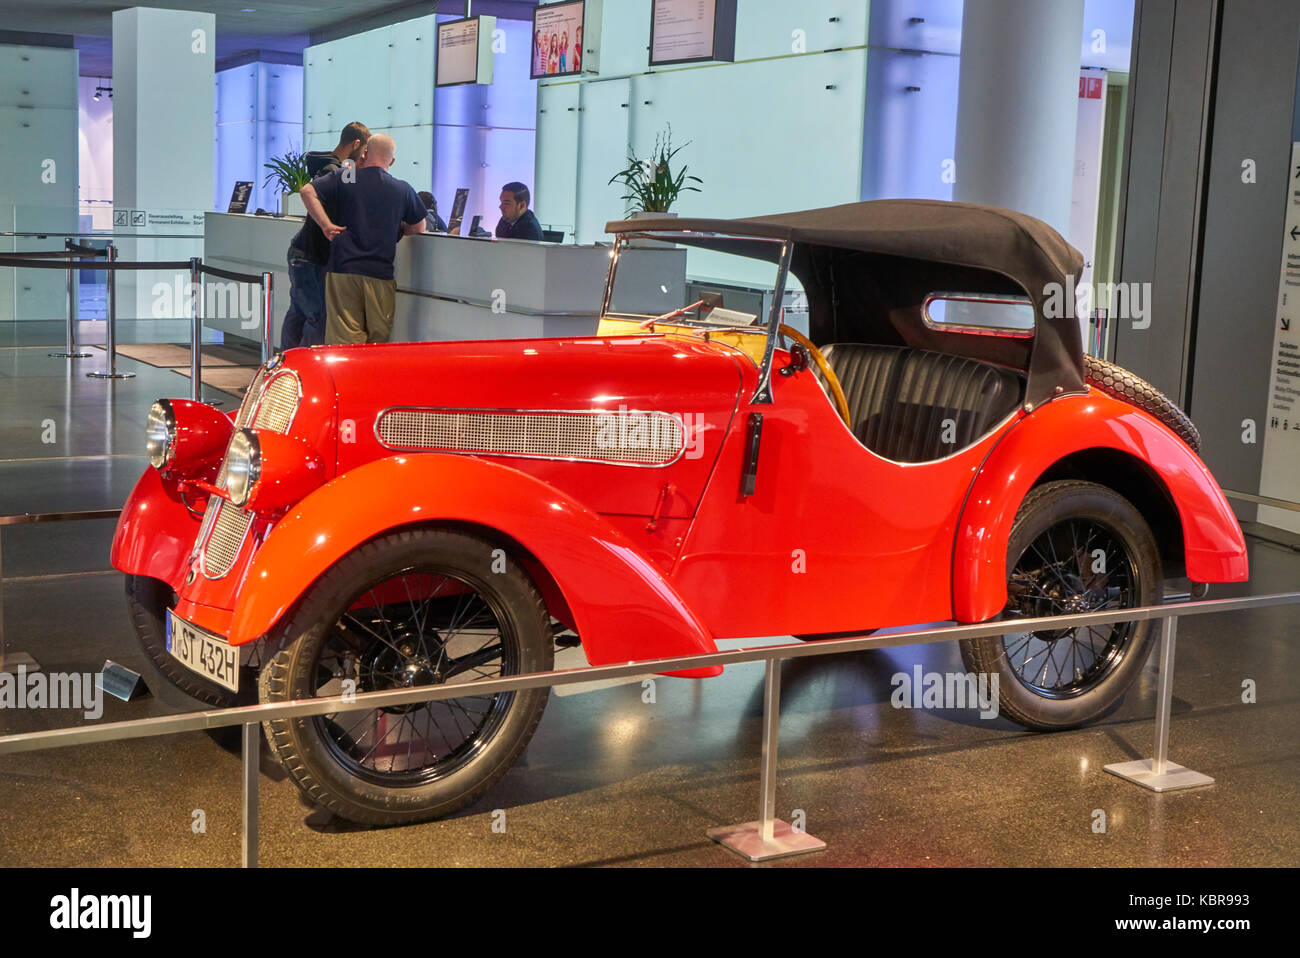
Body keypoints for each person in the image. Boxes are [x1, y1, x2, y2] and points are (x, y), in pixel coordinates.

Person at [300, 133, 426, 345]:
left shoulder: (346, 177)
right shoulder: (402, 188)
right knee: (378, 340)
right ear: (392, 161)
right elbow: (418, 226)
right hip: (380, 273)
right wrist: (396, 226)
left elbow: (307, 191)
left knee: (344, 339)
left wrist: (326, 225)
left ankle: (346, 378)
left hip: (343, 270)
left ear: (365, 153)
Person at [280, 122, 369, 349]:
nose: (365, 156)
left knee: (298, 313)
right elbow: (307, 192)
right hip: (311, 257)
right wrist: (327, 225)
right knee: (317, 318)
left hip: (303, 253)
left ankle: (285, 366)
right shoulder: (333, 171)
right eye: (364, 150)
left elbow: (349, 195)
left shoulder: (337, 168)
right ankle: (307, 371)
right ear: (356, 143)